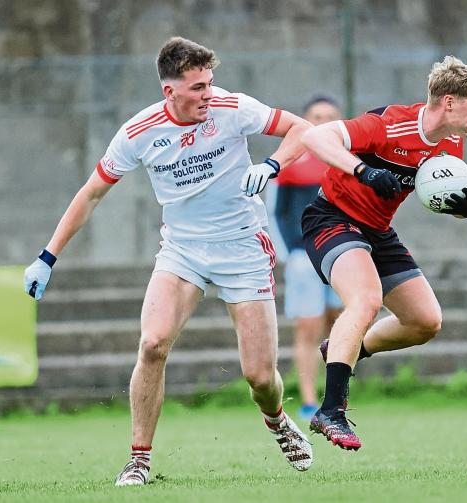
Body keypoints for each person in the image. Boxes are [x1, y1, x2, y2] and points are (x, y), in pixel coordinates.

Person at [23, 37, 314, 485]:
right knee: (152, 343)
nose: (208, 95)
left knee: (259, 377)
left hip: (242, 247)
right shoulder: (138, 132)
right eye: (198, 87)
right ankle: (138, 459)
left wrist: (272, 165)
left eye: (210, 84)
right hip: (182, 250)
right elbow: (92, 193)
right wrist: (47, 256)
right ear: (170, 91)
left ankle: (275, 418)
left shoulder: (233, 108)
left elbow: (300, 129)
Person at [300, 56, 467, 450]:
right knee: (366, 299)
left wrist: (464, 208)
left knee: (425, 321)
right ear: (449, 102)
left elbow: (437, 196)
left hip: (378, 230)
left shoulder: (451, 145)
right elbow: (315, 139)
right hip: (331, 217)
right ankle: (330, 412)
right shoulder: (390, 123)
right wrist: (363, 170)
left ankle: (343, 349)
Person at [272, 95, 344, 421]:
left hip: (341, 253)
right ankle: (308, 400)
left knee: (339, 323)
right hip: (304, 255)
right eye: (317, 115)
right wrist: (291, 251)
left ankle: (336, 398)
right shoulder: (293, 156)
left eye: (330, 116)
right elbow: (277, 212)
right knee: (308, 327)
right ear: (305, 119)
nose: (323, 120)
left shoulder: (346, 157)